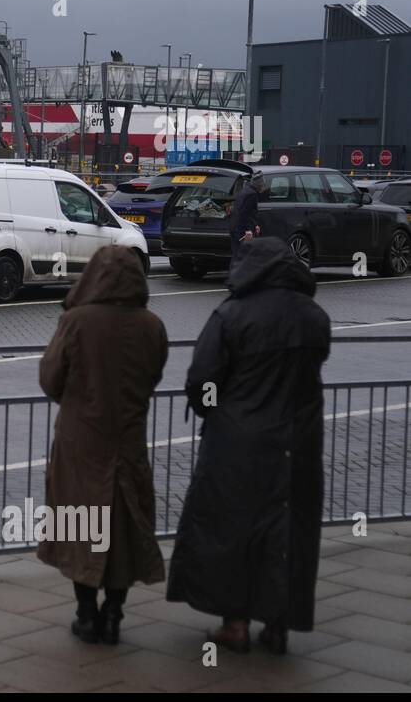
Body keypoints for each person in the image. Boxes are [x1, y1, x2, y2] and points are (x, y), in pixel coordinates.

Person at [167, 237, 331, 655]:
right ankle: (278, 624)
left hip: (237, 444)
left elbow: (201, 381)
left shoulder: (232, 314)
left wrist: (215, 413)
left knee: (231, 531)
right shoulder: (314, 316)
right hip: (299, 441)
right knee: (287, 533)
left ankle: (235, 625)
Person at [37, 246, 169, 644]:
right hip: (128, 442)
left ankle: (85, 613)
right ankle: (113, 615)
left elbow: (50, 379)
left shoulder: (76, 321)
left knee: (80, 527)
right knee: (125, 530)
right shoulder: (152, 325)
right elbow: (153, 375)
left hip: (80, 443)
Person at [229, 171, 265, 266]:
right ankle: (241, 278)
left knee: (237, 255)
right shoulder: (252, 194)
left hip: (234, 227)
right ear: (259, 185)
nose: (264, 188)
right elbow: (244, 213)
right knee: (245, 256)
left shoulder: (245, 191)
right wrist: (247, 230)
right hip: (241, 229)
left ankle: (234, 277)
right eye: (263, 185)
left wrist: (255, 225)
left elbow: (247, 212)